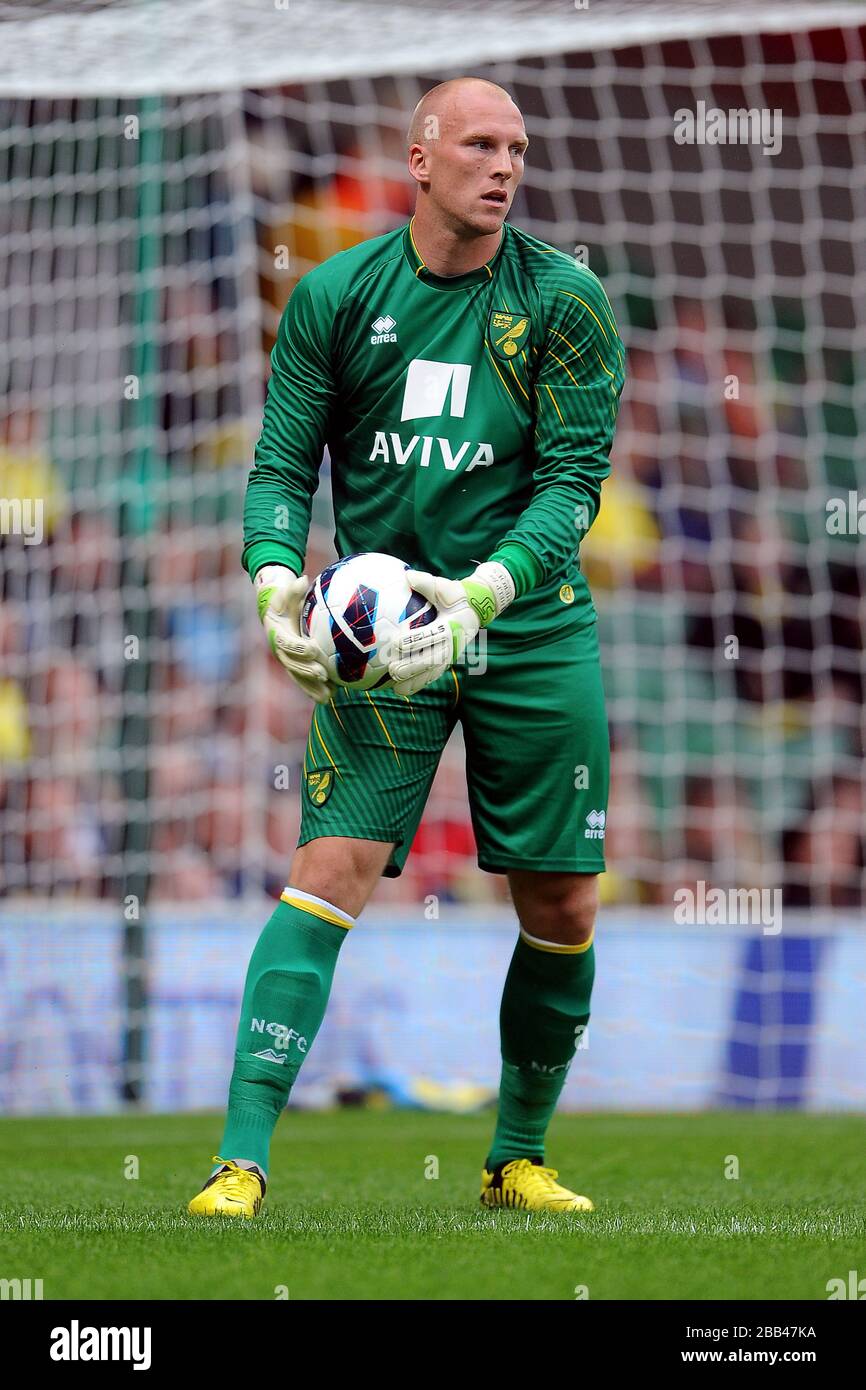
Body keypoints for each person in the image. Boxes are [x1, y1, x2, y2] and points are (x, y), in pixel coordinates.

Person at [189, 77, 625, 1219]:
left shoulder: (565, 300)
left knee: (564, 903)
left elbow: (572, 482)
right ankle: (239, 1162)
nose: (504, 165)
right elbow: (281, 467)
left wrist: (483, 593)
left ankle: (513, 1157)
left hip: (523, 620)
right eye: (479, 144)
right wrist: (278, 579)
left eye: (516, 148)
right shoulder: (333, 294)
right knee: (328, 872)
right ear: (419, 159)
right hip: (384, 637)